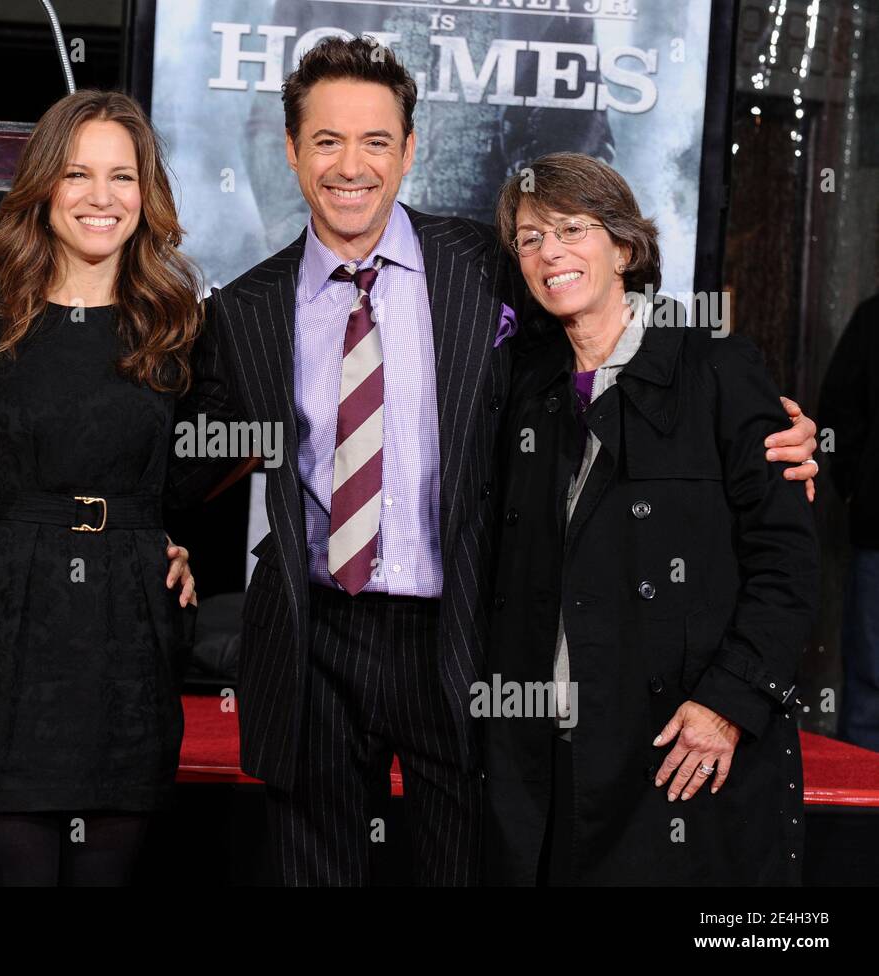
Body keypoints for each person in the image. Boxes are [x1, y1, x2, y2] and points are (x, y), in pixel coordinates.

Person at [167, 36, 821, 886]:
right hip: (313, 636)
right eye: (327, 140)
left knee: (470, 866)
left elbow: (608, 343)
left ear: (409, 150)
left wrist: (774, 429)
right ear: (293, 150)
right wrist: (148, 528)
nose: (350, 165)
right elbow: (188, 450)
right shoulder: (247, 308)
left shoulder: (488, 266)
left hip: (467, 637)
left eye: (375, 140)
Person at [483, 152, 820, 884]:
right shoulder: (518, 388)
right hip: (545, 763)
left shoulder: (717, 367)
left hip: (678, 751)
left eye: (571, 229)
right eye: (530, 238)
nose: (550, 253)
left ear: (624, 247)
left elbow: (787, 562)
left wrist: (728, 703)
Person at [0, 90, 200, 886]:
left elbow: (211, 463)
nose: (100, 197)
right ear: (43, 186)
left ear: (145, 193)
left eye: (122, 176)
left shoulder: (179, 320)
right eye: (78, 174)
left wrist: (187, 548)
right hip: (7, 622)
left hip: (130, 626)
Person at [820, 293, 879, 752]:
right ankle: (861, 824)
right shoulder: (875, 316)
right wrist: (859, 487)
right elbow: (838, 411)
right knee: (870, 692)